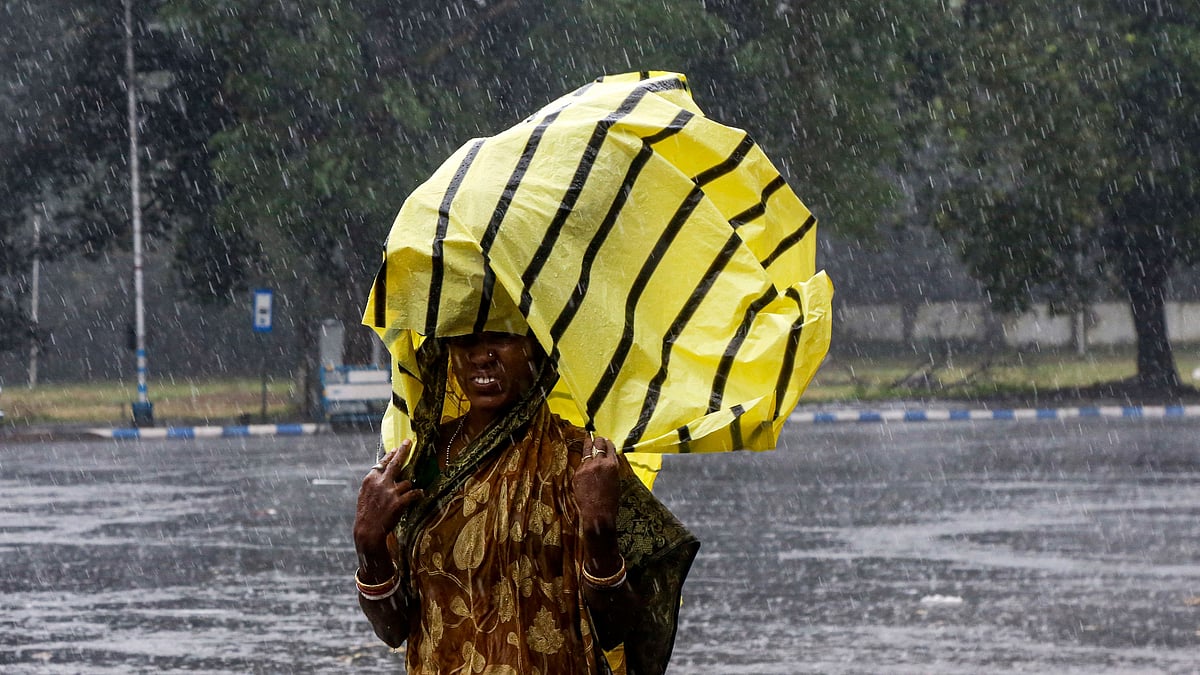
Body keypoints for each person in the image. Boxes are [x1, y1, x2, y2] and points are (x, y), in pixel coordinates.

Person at [353, 330, 698, 674]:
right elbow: (392, 629)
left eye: (502, 337)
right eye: (465, 340)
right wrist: (369, 543)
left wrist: (599, 532)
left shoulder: (584, 463)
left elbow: (617, 628)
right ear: (447, 352)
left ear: (539, 348)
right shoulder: (420, 463)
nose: (481, 356)